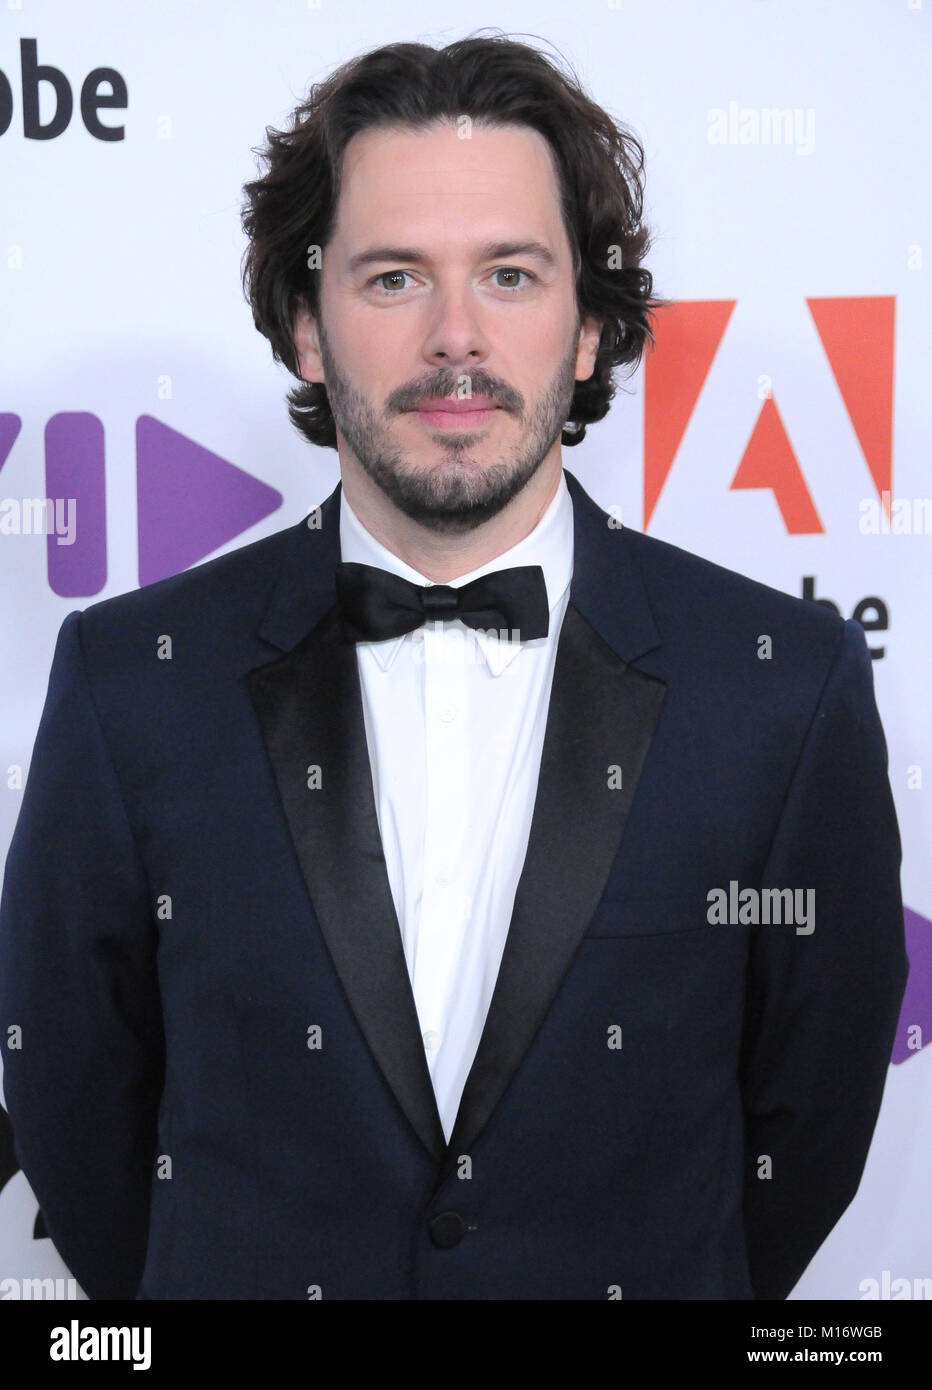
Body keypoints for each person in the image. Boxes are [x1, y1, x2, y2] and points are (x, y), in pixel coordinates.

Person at [0, 35, 908, 1301]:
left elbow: (802, 1124)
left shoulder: (778, 687)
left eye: (511, 274)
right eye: (390, 279)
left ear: (588, 327)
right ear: (306, 329)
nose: (455, 337)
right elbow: (76, 1111)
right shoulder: (130, 680)